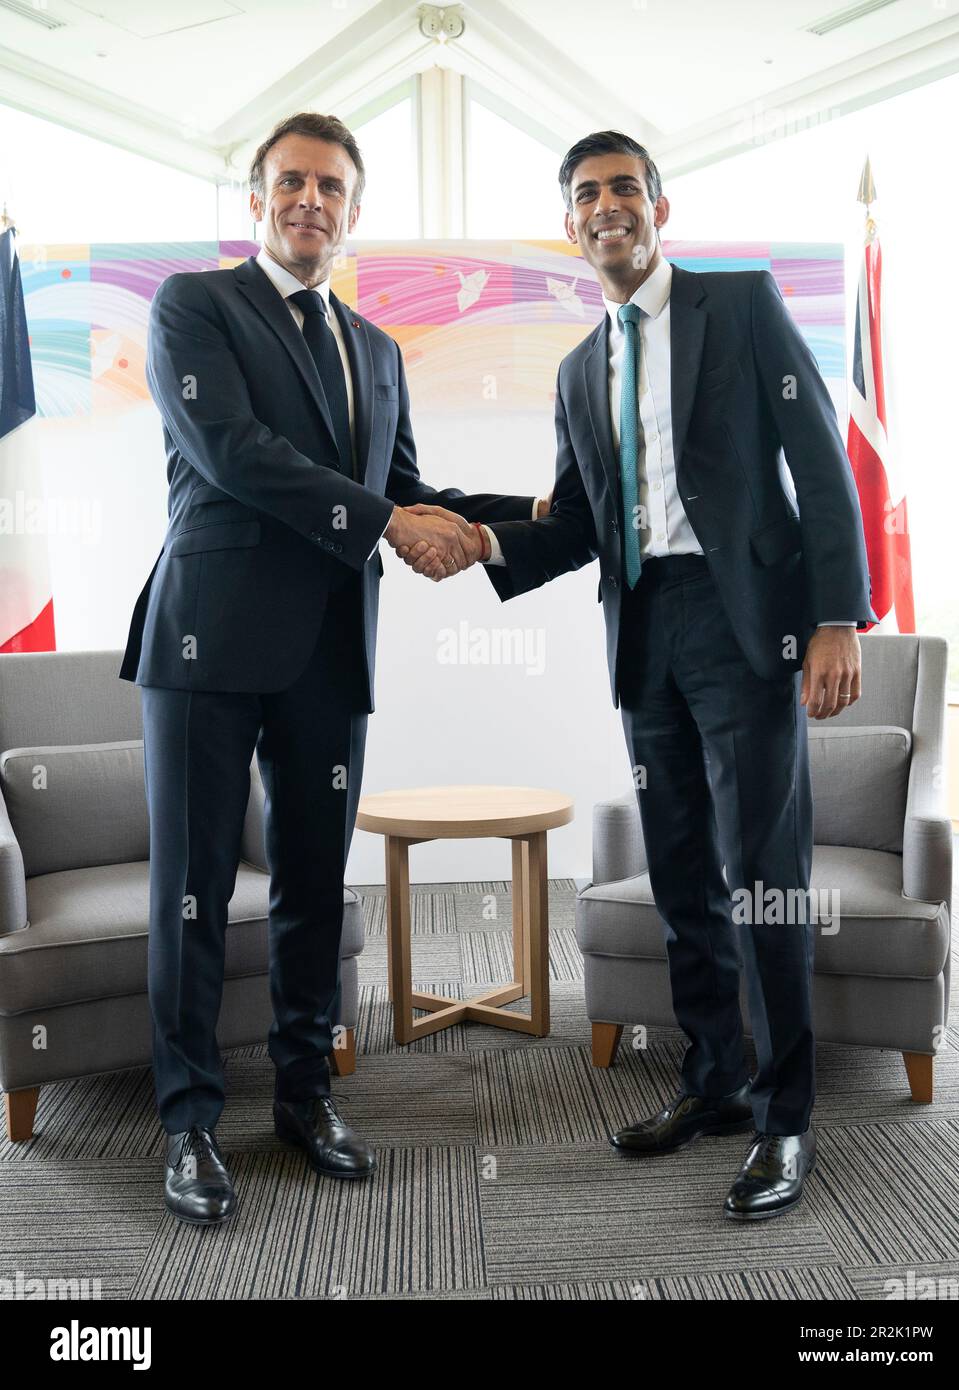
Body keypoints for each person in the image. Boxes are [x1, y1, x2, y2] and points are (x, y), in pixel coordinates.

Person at [400, 130, 877, 1221]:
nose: (605, 206)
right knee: (680, 873)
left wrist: (835, 615)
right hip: (641, 630)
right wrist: (475, 538)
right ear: (570, 226)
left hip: (744, 621)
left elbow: (818, 459)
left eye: (623, 188)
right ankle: (711, 1078)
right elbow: (570, 524)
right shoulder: (579, 369)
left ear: (659, 208)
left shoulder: (740, 307)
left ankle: (785, 1115)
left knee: (761, 870)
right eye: (585, 196)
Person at [120, 111, 546, 1226]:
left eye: (332, 187)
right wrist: (385, 523)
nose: (310, 200)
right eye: (291, 181)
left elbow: (406, 490)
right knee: (195, 889)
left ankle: (305, 1097)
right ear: (257, 198)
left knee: (316, 882)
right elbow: (236, 454)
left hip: (328, 647)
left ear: (354, 212)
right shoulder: (193, 306)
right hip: (206, 642)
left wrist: (535, 517)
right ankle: (188, 1123)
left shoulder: (378, 350)